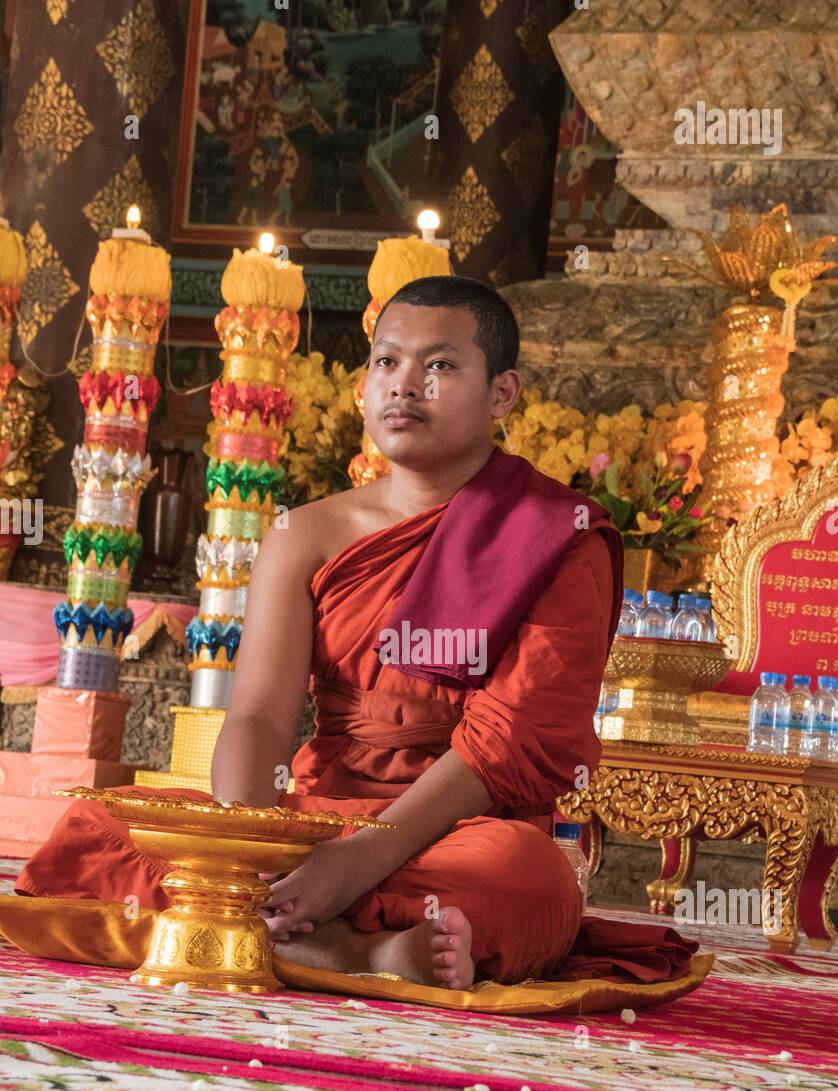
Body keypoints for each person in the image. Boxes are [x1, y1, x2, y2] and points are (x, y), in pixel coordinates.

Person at [18, 277, 679, 993]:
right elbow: (258, 719)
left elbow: (509, 742)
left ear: (503, 393)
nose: (406, 386)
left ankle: (245, 932)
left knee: (527, 880)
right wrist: (252, 852)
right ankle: (348, 949)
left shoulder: (558, 535)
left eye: (441, 366)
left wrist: (356, 862)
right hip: (311, 818)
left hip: (458, 829)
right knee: (94, 831)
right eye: (387, 362)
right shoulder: (305, 533)